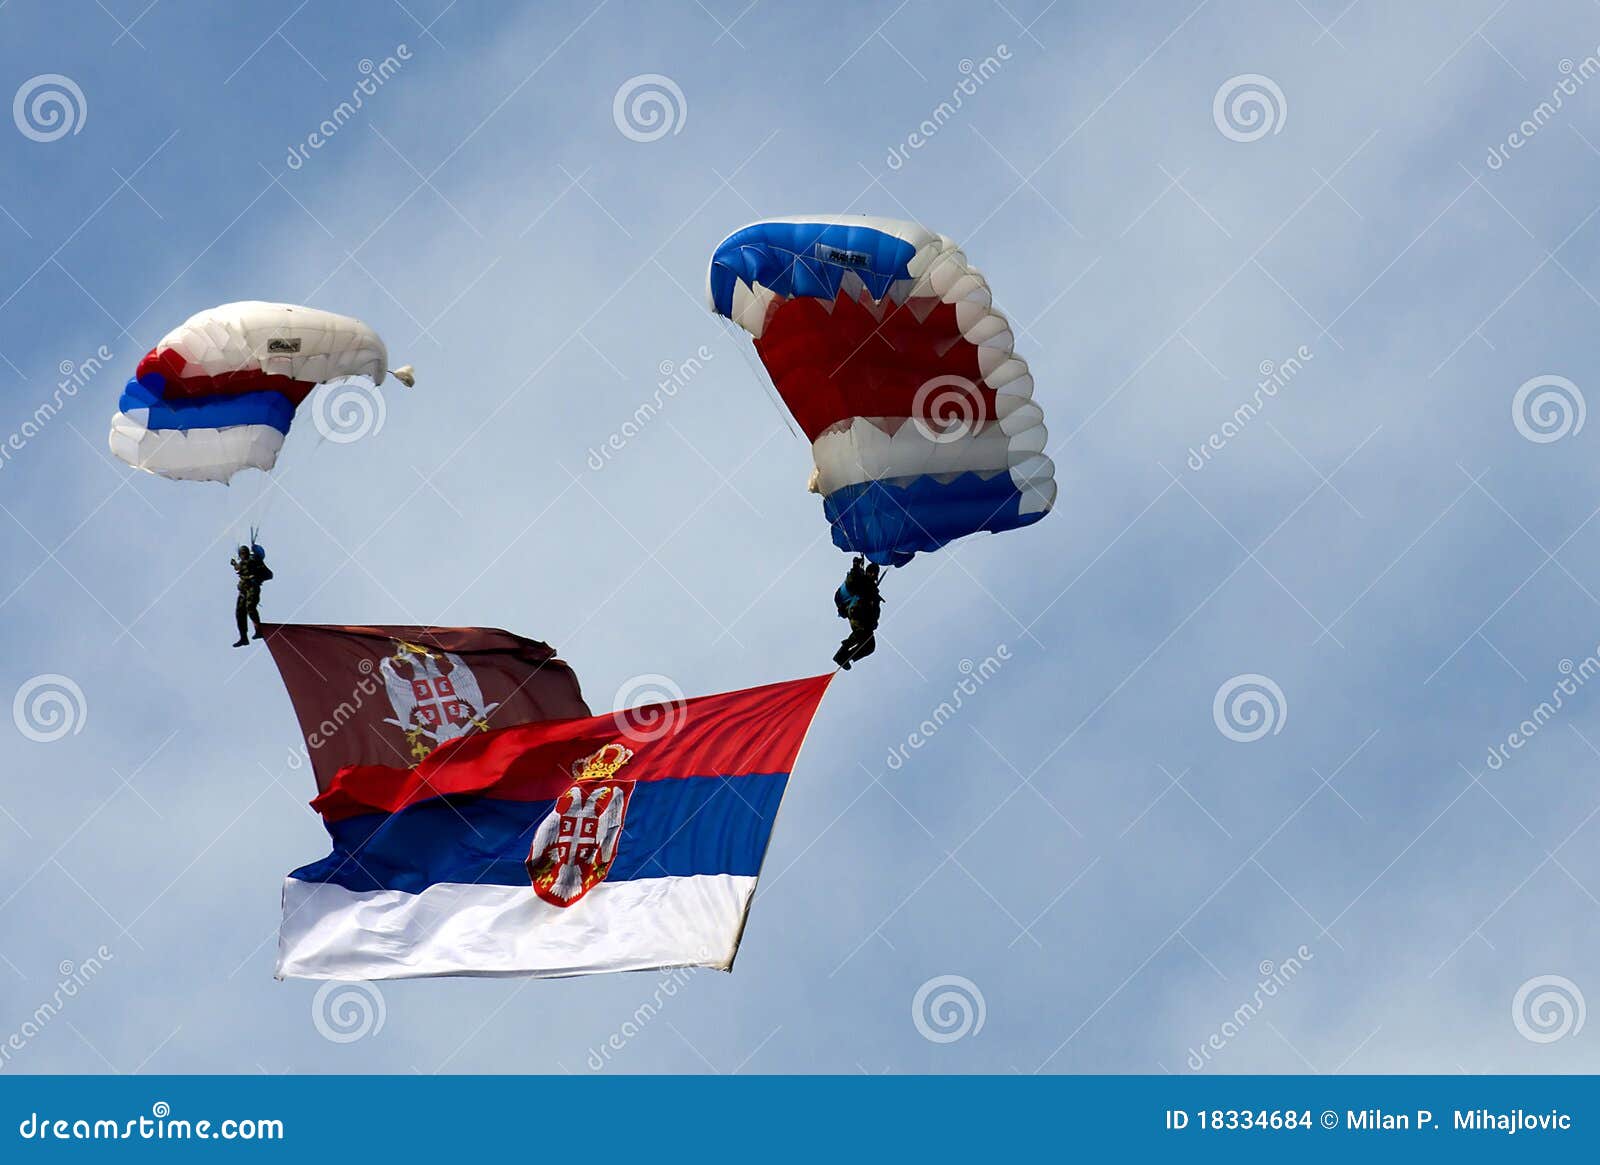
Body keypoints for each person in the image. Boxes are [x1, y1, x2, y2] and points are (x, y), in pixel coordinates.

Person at [832, 556, 883, 669]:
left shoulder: (873, 593)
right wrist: (856, 566)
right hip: (855, 609)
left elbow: (875, 611)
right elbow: (851, 581)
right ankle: (841, 654)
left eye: (875, 574)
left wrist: (874, 621)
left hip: (862, 614)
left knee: (870, 645)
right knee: (862, 633)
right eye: (871, 572)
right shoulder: (860, 579)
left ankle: (845, 656)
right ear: (867, 572)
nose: (873, 575)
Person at [231, 543, 273, 647]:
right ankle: (243, 638)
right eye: (241, 554)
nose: (242, 555)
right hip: (243, 591)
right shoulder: (242, 564)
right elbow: (238, 568)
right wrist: (234, 564)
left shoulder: (254, 561)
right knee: (239, 613)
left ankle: (259, 630)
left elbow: (269, 575)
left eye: (244, 553)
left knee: (250, 607)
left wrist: (256, 578)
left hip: (252, 588)